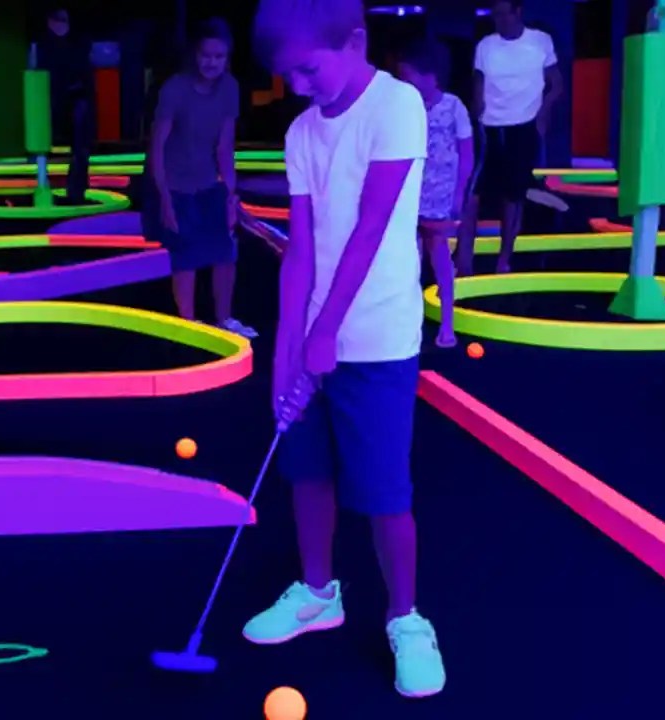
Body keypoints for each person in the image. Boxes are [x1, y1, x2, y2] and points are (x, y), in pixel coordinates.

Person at [247, 0, 445, 699]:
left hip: (378, 339)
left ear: (354, 41)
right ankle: (317, 592)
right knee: (307, 470)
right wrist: (287, 354)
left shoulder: (397, 108)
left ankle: (406, 617)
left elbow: (369, 228)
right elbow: (299, 249)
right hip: (312, 337)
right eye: (286, 76)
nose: (299, 86)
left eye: (308, 68)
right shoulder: (301, 132)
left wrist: (326, 333)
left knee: (385, 491)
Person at [147, 18, 257, 338]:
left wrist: (231, 195)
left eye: (219, 57)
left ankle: (224, 319)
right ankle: (190, 325)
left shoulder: (230, 88)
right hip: (176, 185)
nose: (212, 63)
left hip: (210, 183)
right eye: (206, 55)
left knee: (225, 250)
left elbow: (225, 146)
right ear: (195, 55)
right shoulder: (175, 90)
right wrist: (164, 199)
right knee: (186, 256)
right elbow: (157, 147)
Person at [456, 0, 563, 275]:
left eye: (505, 14)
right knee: (472, 193)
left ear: (518, 12)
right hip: (488, 127)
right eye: (495, 15)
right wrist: (475, 108)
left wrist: (544, 111)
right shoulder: (486, 46)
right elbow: (478, 82)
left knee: (512, 196)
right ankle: (464, 260)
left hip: (524, 125)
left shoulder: (540, 41)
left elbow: (556, 83)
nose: (500, 20)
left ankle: (505, 259)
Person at [396, 37, 474, 349]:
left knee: (438, 251)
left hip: (439, 194)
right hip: (409, 192)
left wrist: (459, 193)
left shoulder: (454, 107)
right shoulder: (405, 107)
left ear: (431, 75)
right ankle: (409, 320)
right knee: (408, 257)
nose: (406, 81)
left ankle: (447, 321)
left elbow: (466, 155)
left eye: (410, 75)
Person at [37, 7, 93, 204]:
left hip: (76, 100)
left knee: (81, 147)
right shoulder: (44, 47)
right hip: (53, 102)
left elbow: (84, 77)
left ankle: (76, 190)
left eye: (63, 20)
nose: (61, 24)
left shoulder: (78, 45)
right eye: (57, 19)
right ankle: (53, 188)